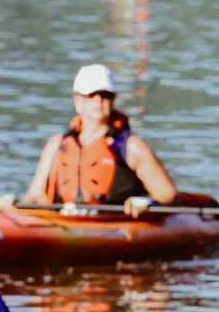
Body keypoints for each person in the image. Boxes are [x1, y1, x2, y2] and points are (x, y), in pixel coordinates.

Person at [15, 64, 179, 215]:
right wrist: (12, 206)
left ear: (113, 100)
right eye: (91, 95)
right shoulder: (57, 145)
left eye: (105, 95)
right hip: (64, 223)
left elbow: (168, 194)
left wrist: (147, 202)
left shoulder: (131, 146)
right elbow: (34, 196)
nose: (98, 101)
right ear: (77, 101)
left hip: (115, 224)